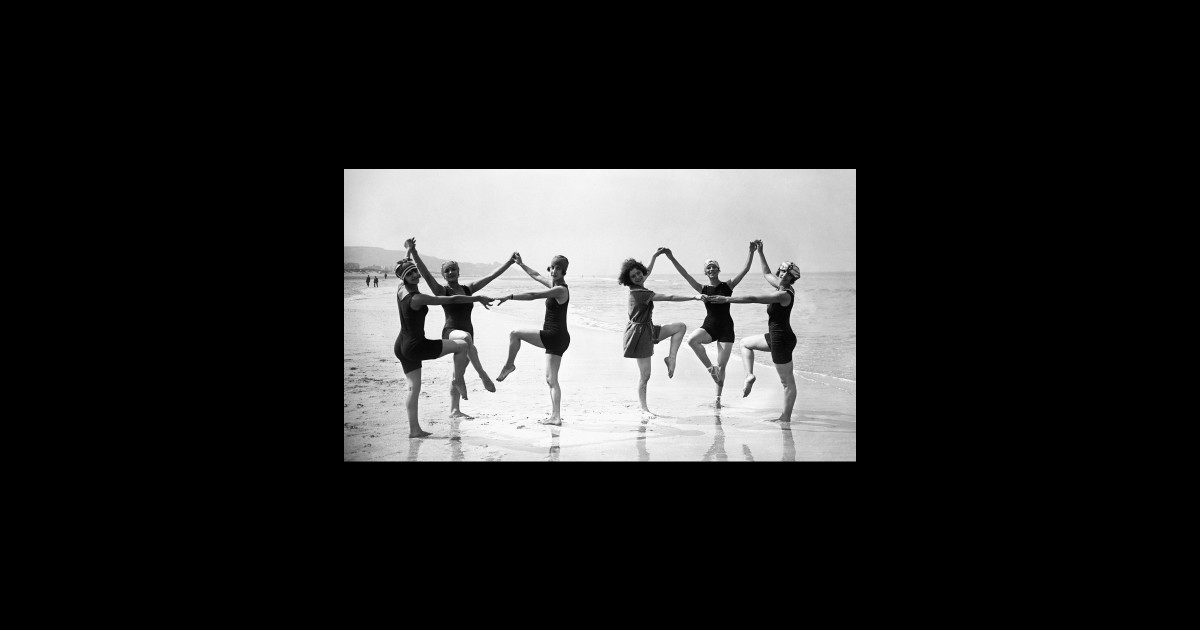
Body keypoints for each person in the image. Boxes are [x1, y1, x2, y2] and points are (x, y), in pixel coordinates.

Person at [393, 242, 494, 438]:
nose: (415, 275)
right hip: (416, 346)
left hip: (401, 345)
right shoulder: (417, 297)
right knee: (463, 344)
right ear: (404, 278)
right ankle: (459, 379)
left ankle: (414, 430)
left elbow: (404, 267)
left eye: (415, 271)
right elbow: (452, 299)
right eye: (410, 274)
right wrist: (478, 298)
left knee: (414, 388)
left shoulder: (400, 289)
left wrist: (410, 251)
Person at [407, 238, 514, 418]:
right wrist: (414, 252)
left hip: (469, 335)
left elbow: (491, 276)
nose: (450, 272)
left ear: (458, 271)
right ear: (443, 275)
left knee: (459, 372)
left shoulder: (468, 288)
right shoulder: (442, 291)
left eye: (453, 269)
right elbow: (425, 274)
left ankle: (455, 410)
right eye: (446, 271)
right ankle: (482, 375)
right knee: (464, 339)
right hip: (451, 332)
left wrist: (509, 262)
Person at [702, 240, 801, 423]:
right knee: (745, 343)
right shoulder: (779, 285)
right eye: (783, 271)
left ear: (792, 278)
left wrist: (727, 299)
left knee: (787, 382)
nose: (784, 275)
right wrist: (760, 252)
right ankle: (749, 375)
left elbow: (753, 298)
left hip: (781, 340)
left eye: (788, 274)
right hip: (775, 337)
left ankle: (785, 418)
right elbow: (766, 273)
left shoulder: (784, 294)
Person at [660, 242, 756, 408]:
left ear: (718, 270)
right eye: (708, 268)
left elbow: (746, 269)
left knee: (722, 366)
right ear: (705, 272)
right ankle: (710, 369)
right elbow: (685, 274)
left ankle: (718, 399)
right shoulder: (702, 288)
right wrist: (670, 257)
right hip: (710, 326)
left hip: (726, 328)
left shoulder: (728, 286)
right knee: (692, 340)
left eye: (714, 267)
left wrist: (751, 252)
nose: (711, 270)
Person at [618, 249, 701, 419]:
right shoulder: (641, 293)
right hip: (639, 334)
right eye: (634, 276)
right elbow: (669, 297)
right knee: (645, 375)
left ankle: (671, 358)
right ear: (629, 279)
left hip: (648, 328)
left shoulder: (638, 285)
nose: (639, 277)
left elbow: (647, 271)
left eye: (639, 273)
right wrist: (694, 297)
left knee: (680, 327)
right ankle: (644, 408)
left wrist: (655, 256)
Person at [493, 252, 570, 426]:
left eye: (559, 268)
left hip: (554, 335)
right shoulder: (553, 285)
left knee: (515, 333)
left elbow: (534, 295)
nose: (554, 270)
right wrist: (521, 264)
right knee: (551, 380)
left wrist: (510, 297)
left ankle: (509, 365)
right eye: (553, 267)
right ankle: (556, 417)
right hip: (560, 338)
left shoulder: (560, 289)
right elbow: (536, 275)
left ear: (564, 271)